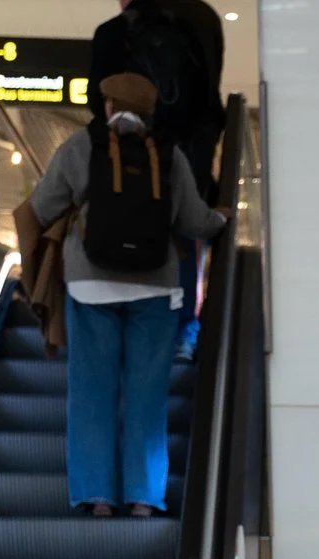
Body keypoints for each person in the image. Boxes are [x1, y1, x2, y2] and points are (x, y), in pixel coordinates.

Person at [24, 72, 225, 517]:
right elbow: (194, 222)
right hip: (155, 286)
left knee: (92, 391)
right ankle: (143, 497)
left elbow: (41, 208)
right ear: (152, 111)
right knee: (147, 394)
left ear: (108, 105)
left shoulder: (80, 147)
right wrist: (221, 220)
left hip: (90, 284)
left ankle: (97, 496)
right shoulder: (168, 155)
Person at [91, 0, 224, 354]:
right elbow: (211, 99)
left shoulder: (111, 34)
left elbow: (96, 106)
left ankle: (122, 330)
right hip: (187, 158)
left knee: (125, 235)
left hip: (127, 170)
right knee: (182, 240)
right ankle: (182, 332)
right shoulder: (203, 18)